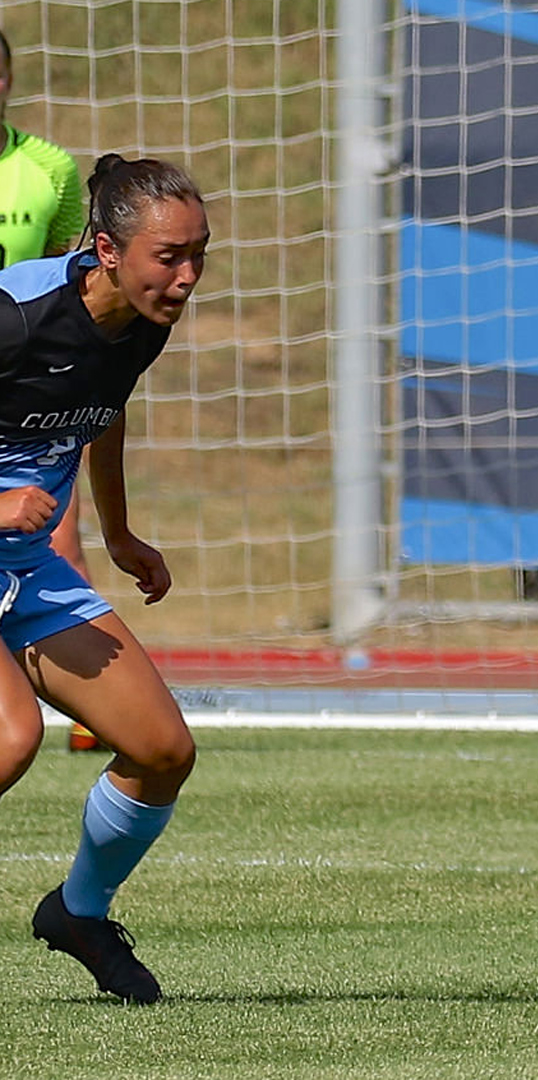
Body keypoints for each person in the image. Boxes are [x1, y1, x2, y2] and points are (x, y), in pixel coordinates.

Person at [0, 154, 207, 1004]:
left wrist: (118, 533)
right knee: (10, 738)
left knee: (163, 751)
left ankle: (79, 913)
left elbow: (103, 409)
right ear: (107, 250)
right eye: (170, 257)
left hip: (20, 565)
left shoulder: (143, 318)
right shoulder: (16, 316)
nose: (187, 276)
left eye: (199, 254)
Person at [0, 30, 100, 752]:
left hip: (27, 393)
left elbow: (65, 281)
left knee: (60, 532)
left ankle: (92, 706)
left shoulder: (49, 169)